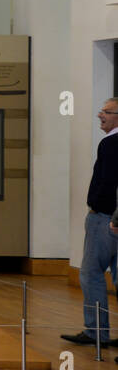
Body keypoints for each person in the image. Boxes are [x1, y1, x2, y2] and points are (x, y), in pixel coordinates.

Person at [65, 98, 118, 348]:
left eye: (106, 112)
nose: (100, 115)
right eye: (101, 111)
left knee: (90, 274)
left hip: (106, 219)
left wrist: (97, 206)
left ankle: (97, 331)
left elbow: (107, 183)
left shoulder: (110, 144)